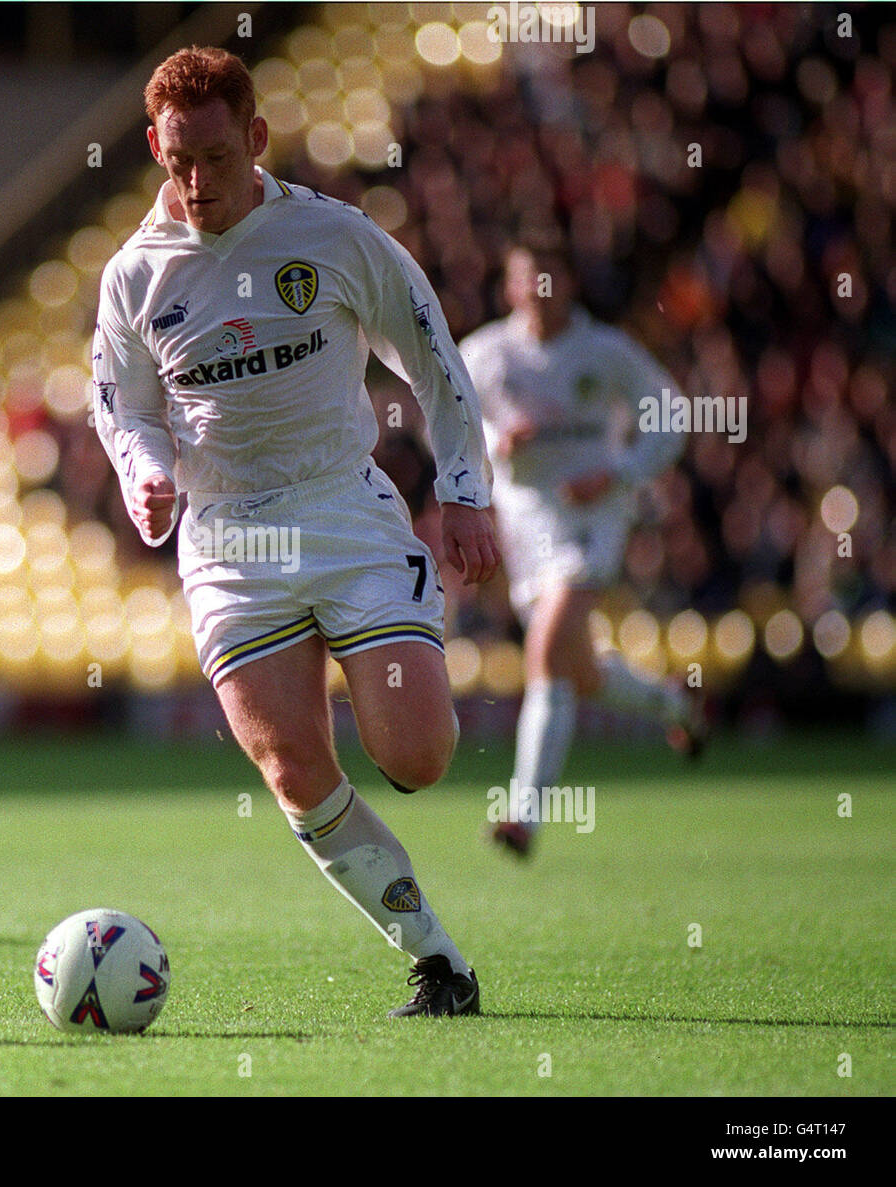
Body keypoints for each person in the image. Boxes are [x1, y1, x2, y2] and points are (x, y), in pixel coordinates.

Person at [91, 46, 499, 1017]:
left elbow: (431, 354)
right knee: (293, 769)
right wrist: (144, 472)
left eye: (217, 158)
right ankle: (437, 961)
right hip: (229, 541)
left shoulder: (335, 236)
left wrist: (465, 489)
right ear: (154, 147)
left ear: (258, 138)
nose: (197, 182)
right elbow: (123, 407)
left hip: (342, 512)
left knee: (417, 755)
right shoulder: (133, 276)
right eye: (179, 161)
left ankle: (389, 677)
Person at [458, 242, 707, 858]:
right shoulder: (486, 353)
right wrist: (495, 440)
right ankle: (676, 705)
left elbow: (670, 415)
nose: (539, 289)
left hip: (593, 518)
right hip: (525, 520)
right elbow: (446, 420)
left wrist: (619, 472)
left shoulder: (606, 351)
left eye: (551, 276)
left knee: (547, 648)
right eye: (528, 278)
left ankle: (523, 816)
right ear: (510, 287)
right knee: (577, 669)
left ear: (569, 282)